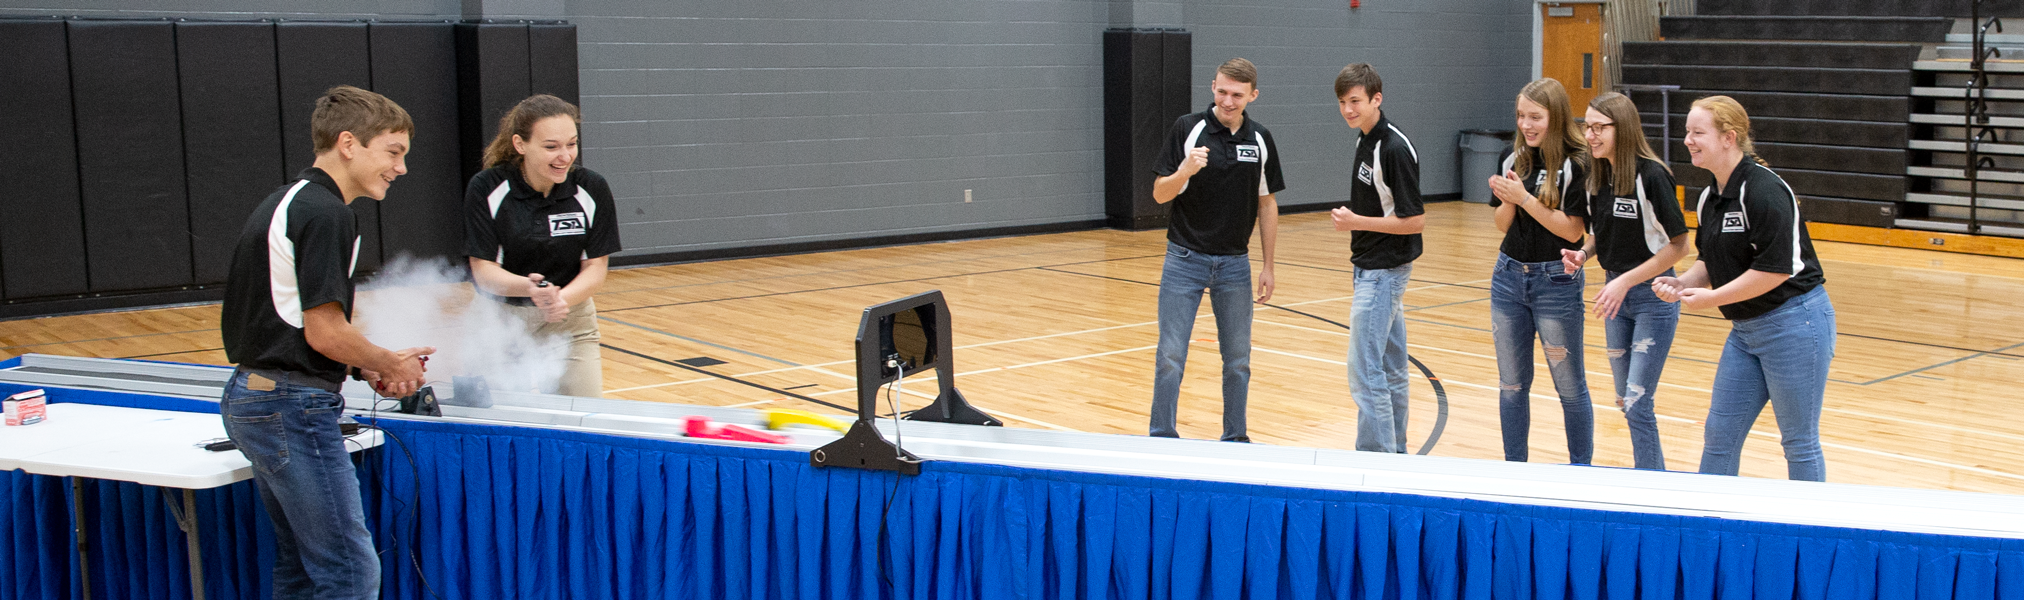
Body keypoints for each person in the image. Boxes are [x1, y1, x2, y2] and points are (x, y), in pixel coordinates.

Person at [219, 85, 434, 600]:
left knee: (298, 564)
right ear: (348, 143)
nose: (400, 168)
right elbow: (324, 331)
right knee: (351, 570)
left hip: (258, 396)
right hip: (289, 405)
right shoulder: (327, 212)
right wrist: (388, 362)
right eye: (393, 152)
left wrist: (365, 367)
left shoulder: (290, 200)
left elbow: (289, 324)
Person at [1654, 95, 1834, 481]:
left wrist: (1713, 298)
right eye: (1687, 132)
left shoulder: (1765, 191)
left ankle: (1811, 531)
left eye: (1697, 132)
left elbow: (1775, 271)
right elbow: (1711, 259)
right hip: (1746, 332)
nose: (1687, 140)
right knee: (1719, 435)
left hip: (1794, 325)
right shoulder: (1709, 197)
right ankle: (1709, 525)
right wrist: (1682, 281)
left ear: (1728, 138)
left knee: (1798, 442)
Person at [1147, 57, 1286, 442]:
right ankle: (1161, 435)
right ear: (1213, 87)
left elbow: (1267, 204)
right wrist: (1184, 172)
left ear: (1252, 96)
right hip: (1184, 260)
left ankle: (1236, 438)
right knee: (1171, 356)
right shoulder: (1187, 129)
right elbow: (1159, 194)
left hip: (1235, 266)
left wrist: (1268, 266)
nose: (1228, 101)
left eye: (1237, 95)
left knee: (1238, 361)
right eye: (1222, 91)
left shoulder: (1260, 139)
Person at [1561, 92, 1688, 470]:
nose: (1591, 136)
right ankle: (1647, 477)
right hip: (1616, 297)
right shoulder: (1596, 174)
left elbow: (1679, 245)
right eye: (1587, 127)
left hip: (1653, 296)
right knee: (1624, 399)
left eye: (1600, 127)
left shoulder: (1651, 175)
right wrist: (1584, 254)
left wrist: (1626, 281)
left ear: (1623, 127)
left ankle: (1652, 483)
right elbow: (1604, 232)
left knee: (1637, 402)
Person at [463, 94, 622, 398]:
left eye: (571, 144)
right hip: (502, 319)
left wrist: (559, 299)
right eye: (551, 147)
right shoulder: (487, 188)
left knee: (581, 417)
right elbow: (483, 271)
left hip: (571, 320)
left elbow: (596, 268)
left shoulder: (591, 188)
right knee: (509, 419)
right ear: (520, 145)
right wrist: (531, 289)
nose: (564, 156)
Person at [1486, 78, 1594, 465]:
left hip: (1555, 280)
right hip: (1508, 276)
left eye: (1536, 117)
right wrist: (1509, 201)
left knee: (1569, 386)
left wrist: (1524, 198)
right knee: (1512, 384)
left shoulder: (1577, 163)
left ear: (1556, 117)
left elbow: (1573, 230)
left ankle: (1581, 471)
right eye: (1521, 116)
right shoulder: (1511, 157)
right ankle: (1515, 468)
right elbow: (1502, 225)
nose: (1526, 125)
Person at [1329, 63, 1425, 453]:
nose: (1348, 109)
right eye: (1342, 102)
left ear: (1376, 99)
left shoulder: (1394, 148)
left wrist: (1356, 221)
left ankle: (1379, 461)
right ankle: (1395, 454)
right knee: (1391, 371)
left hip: (1383, 272)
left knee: (1365, 373)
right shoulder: (1364, 140)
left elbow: (1415, 220)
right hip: (1370, 268)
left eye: (1355, 101)